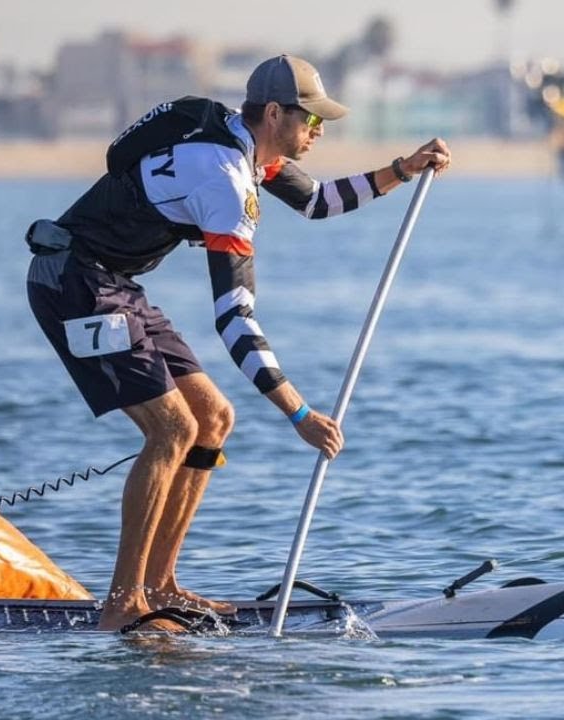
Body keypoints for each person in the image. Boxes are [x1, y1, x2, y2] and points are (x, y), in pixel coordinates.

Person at [24, 55, 451, 632]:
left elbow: (318, 201)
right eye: (311, 119)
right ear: (274, 114)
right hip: (72, 282)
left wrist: (403, 169)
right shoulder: (225, 178)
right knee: (171, 428)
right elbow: (235, 319)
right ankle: (124, 602)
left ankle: (161, 584)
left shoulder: (244, 146)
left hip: (113, 284)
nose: (319, 131)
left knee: (213, 417)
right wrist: (298, 412)